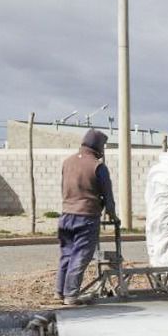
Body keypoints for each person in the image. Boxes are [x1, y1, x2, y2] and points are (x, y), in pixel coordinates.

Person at [56, 129, 117, 305]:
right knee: (80, 255)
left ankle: (59, 291)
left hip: (66, 215)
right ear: (98, 147)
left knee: (67, 254)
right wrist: (113, 215)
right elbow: (108, 196)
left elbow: (63, 188)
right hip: (87, 217)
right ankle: (71, 295)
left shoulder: (67, 162)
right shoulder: (98, 166)